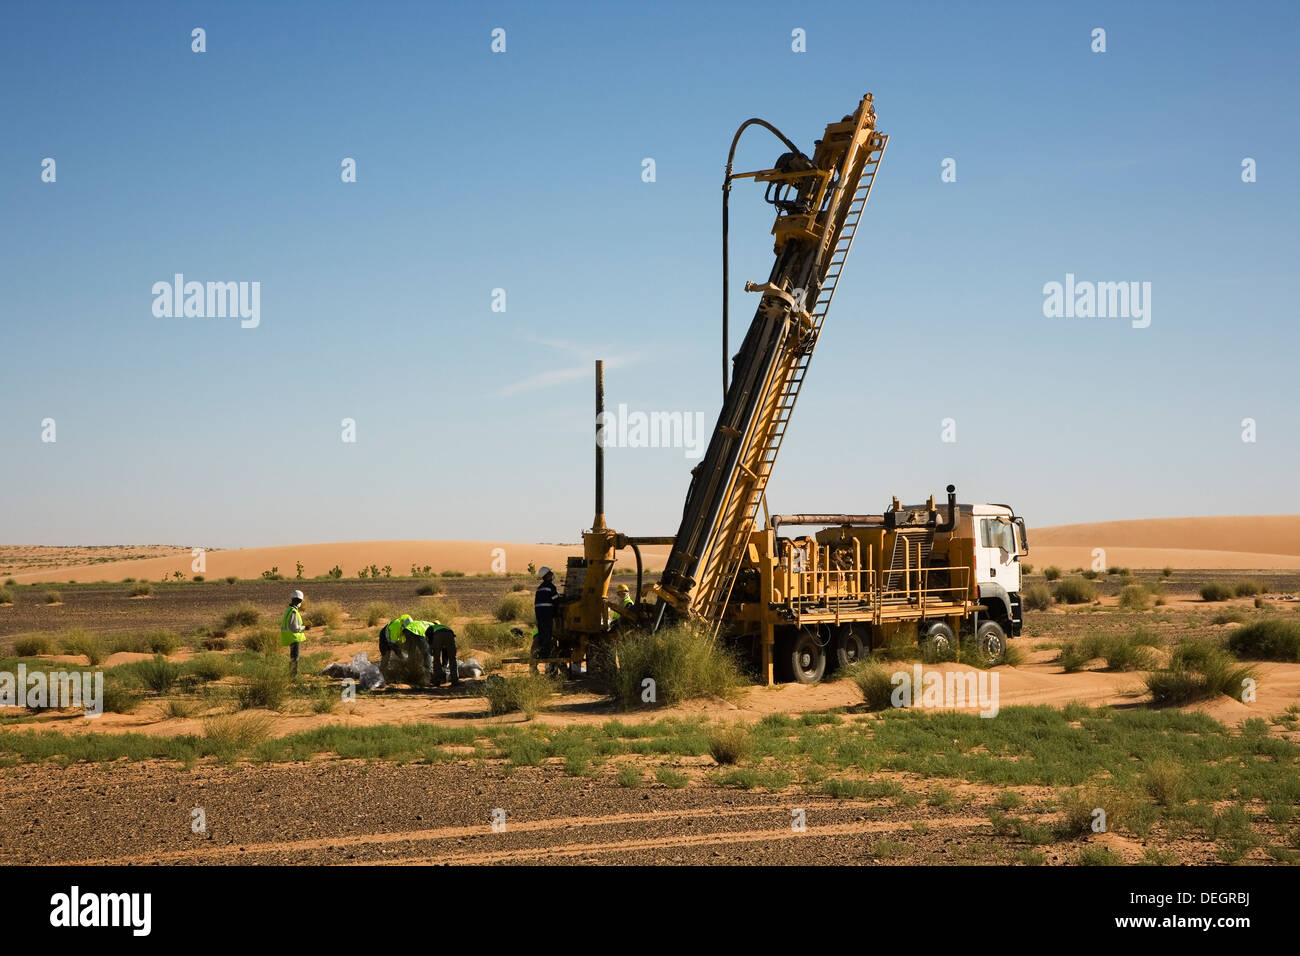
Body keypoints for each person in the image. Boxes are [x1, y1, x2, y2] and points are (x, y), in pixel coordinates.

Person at [533, 566, 560, 671]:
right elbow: (556, 601)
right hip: (547, 614)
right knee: (548, 633)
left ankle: (541, 651)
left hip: (539, 615)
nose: (552, 574)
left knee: (542, 632)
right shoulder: (550, 587)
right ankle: (547, 654)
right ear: (547, 575)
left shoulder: (540, 588)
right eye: (550, 573)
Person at [280, 590, 309, 677]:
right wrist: (305, 627)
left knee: (293, 657)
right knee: (295, 658)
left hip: (289, 637)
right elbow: (294, 628)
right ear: (299, 601)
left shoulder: (289, 610)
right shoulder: (293, 611)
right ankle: (293, 676)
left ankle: (292, 675)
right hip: (294, 637)